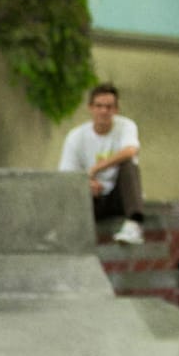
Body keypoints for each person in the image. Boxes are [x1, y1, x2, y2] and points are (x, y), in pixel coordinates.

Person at [57, 82, 145, 244]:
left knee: (129, 164)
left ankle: (134, 224)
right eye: (99, 106)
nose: (104, 111)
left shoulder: (126, 126)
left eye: (109, 107)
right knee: (71, 194)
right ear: (90, 108)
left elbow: (131, 150)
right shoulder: (76, 137)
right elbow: (66, 175)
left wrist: (97, 168)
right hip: (92, 199)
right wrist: (87, 183)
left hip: (119, 196)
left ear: (116, 110)